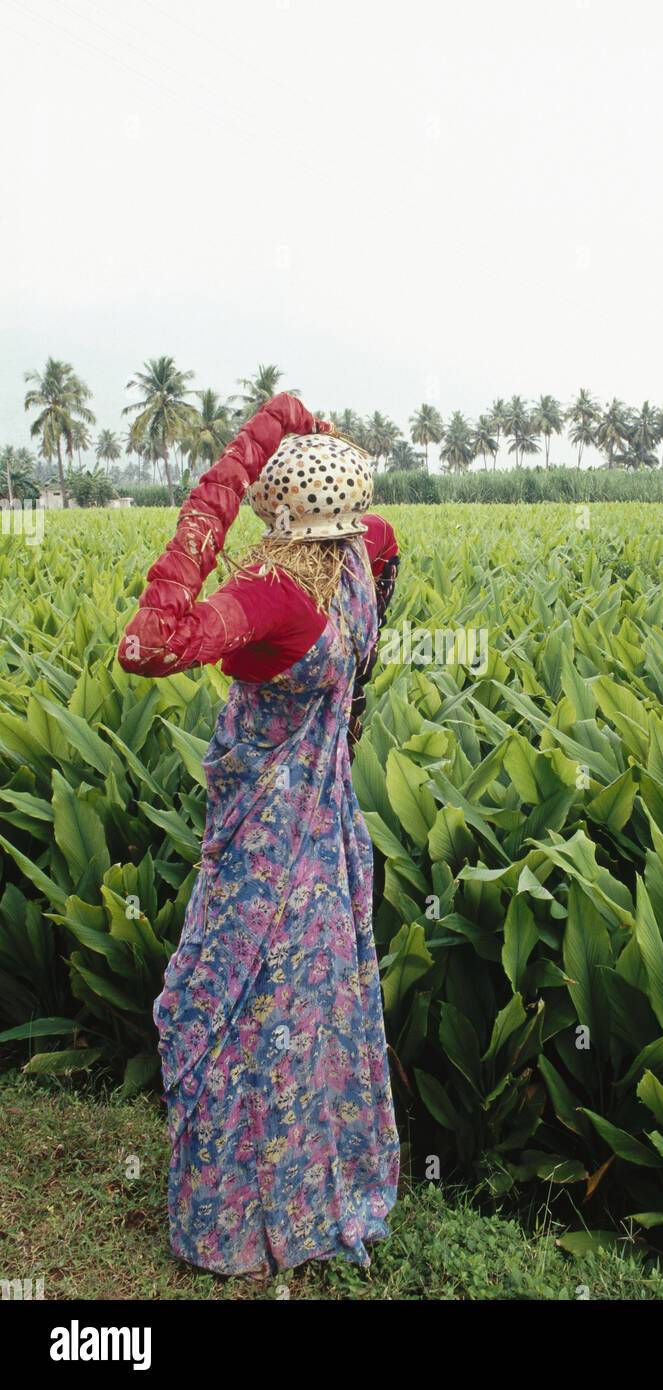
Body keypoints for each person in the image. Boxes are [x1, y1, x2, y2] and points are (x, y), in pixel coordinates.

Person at [117, 392, 401, 1280]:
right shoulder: (364, 558)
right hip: (328, 838)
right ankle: (314, 1194)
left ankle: (234, 1221)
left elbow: (148, 643)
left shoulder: (274, 597)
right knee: (307, 1017)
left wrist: (238, 459)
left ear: (274, 505)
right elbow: (385, 548)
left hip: (261, 855)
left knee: (221, 1010)